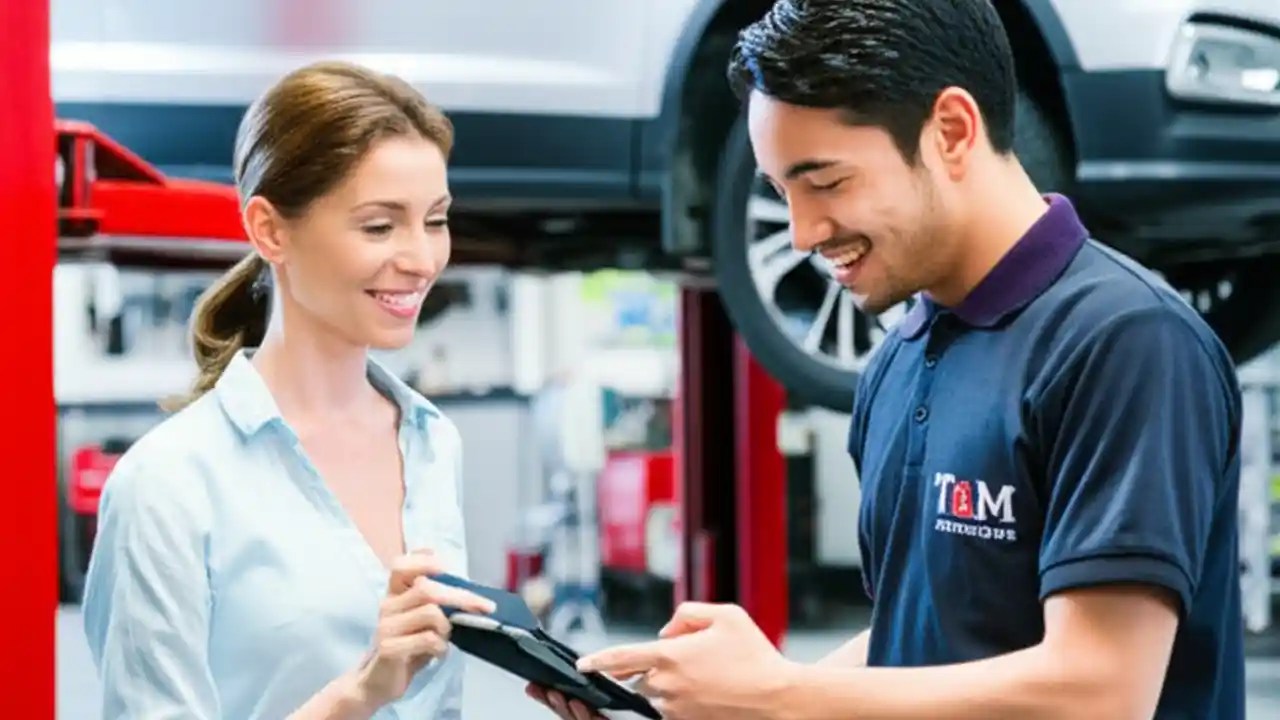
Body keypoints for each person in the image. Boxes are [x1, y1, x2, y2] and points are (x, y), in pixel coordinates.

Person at [535, 1, 1246, 718]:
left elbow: (1101, 692)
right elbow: (916, 641)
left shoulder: (1126, 342)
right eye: (781, 193)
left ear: (952, 131)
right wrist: (729, 700)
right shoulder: (896, 363)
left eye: (826, 182)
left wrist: (779, 694)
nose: (802, 233)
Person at [81, 60, 498, 720]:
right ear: (270, 230)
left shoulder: (432, 442)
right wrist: (358, 694)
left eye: (436, 220)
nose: (422, 259)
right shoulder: (167, 484)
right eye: (379, 226)